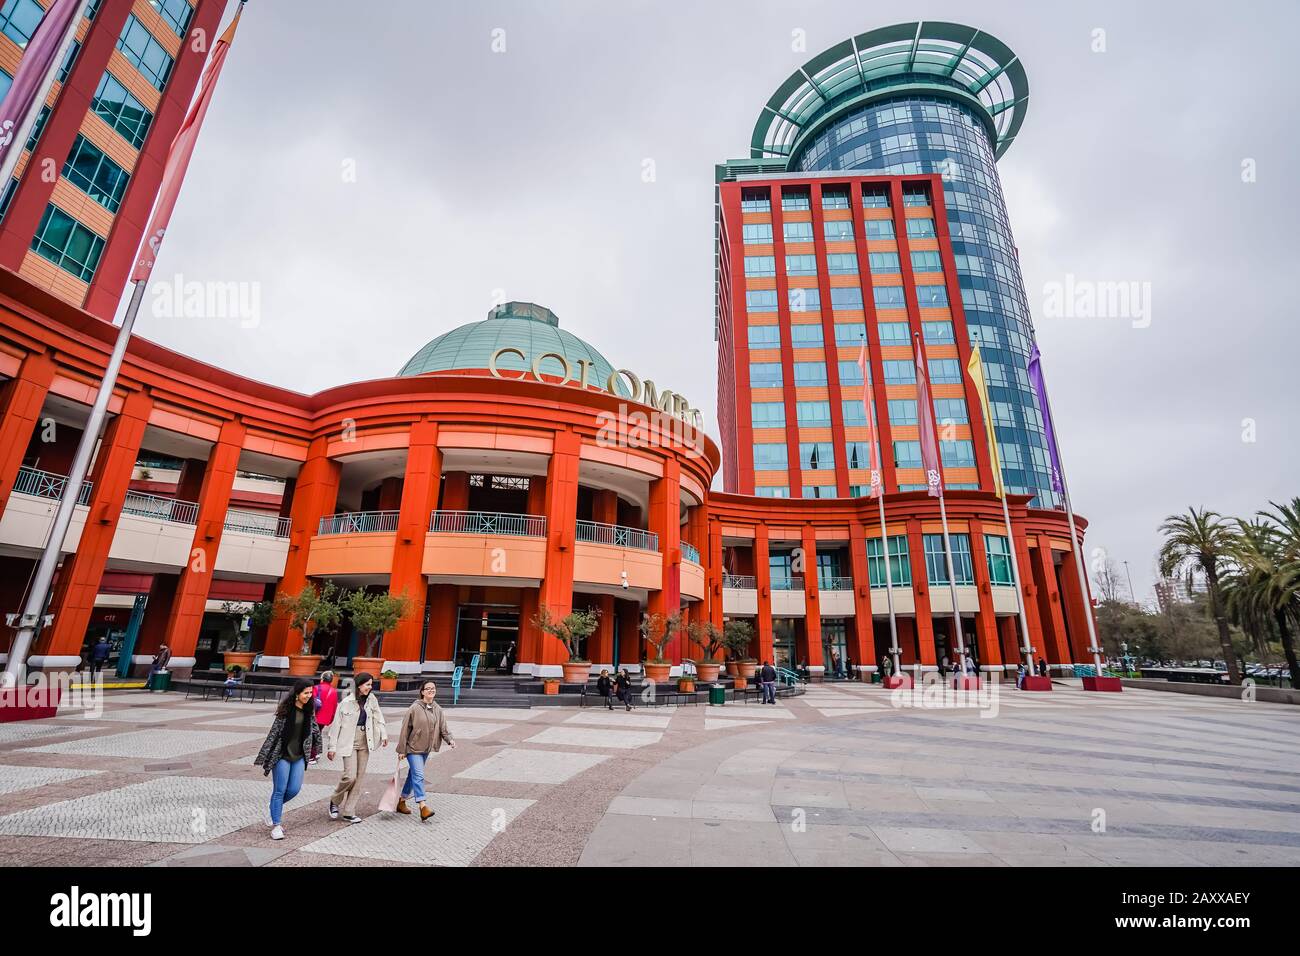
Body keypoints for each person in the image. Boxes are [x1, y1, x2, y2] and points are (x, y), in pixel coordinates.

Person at [254, 678, 320, 841]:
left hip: (298, 756)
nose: (309, 696)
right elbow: (273, 734)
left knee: (294, 789)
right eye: (306, 693)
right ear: (297, 694)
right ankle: (276, 825)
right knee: (280, 790)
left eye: (311, 693)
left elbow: (315, 731)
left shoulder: (308, 711)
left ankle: (272, 809)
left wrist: (319, 748)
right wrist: (264, 756)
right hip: (282, 755)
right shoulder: (285, 712)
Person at [326, 672, 388, 824]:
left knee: (359, 779)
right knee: (350, 776)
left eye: (371, 684)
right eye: (367, 684)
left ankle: (349, 812)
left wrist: (384, 735)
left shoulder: (371, 699)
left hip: (365, 740)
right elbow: (336, 726)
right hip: (349, 741)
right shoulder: (346, 702)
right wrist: (331, 747)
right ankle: (335, 800)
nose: (370, 687)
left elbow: (378, 717)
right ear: (359, 685)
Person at [395, 680, 456, 821]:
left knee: (413, 775)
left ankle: (402, 801)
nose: (431, 691)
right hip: (413, 748)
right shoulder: (414, 708)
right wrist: (402, 749)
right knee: (419, 774)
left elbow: (443, 728)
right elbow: (405, 729)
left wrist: (450, 740)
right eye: (427, 688)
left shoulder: (438, 709)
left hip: (426, 748)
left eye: (433, 688)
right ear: (422, 692)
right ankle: (423, 806)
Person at [311, 671, 339, 764]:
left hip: (315, 716)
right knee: (318, 733)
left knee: (312, 735)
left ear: (322, 678)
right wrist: (331, 719)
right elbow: (334, 707)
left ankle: (313, 755)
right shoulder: (333, 691)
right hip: (325, 718)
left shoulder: (316, 688)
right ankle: (316, 751)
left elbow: (311, 703)